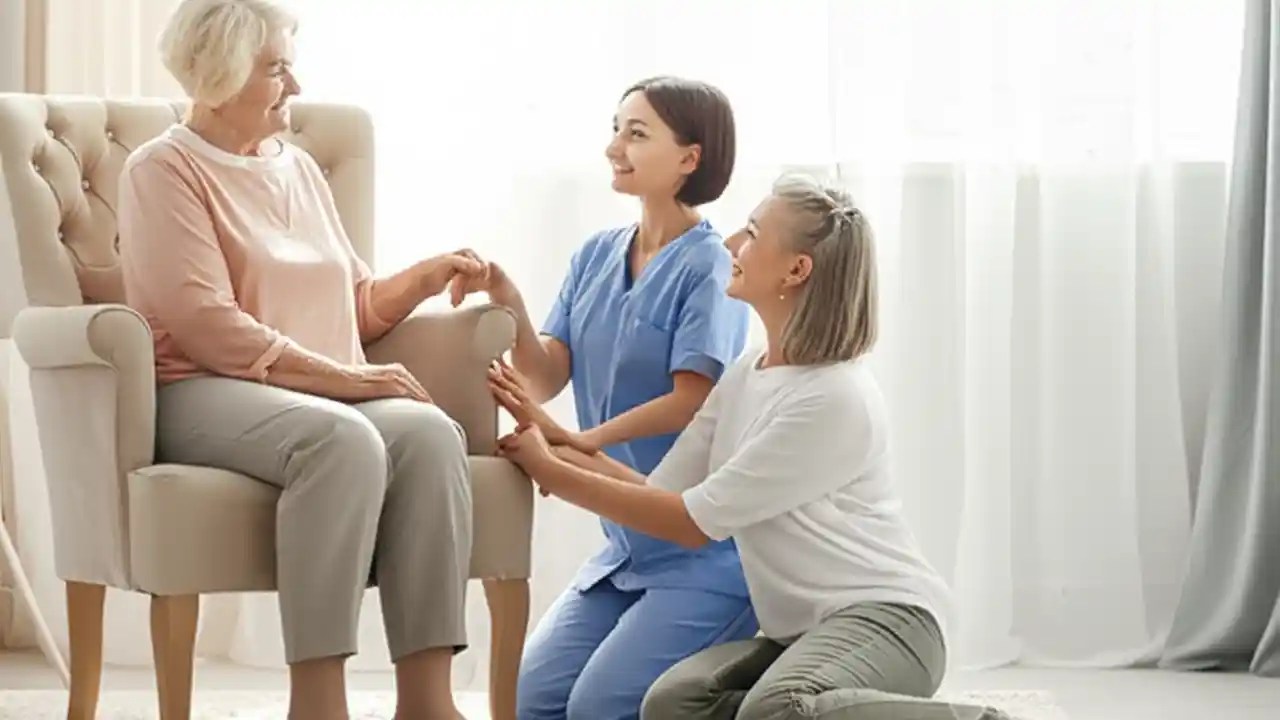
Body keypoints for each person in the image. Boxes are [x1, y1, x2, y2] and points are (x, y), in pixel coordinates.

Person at [491, 174, 1011, 720]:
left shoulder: (831, 398)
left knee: (776, 708)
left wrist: (552, 470)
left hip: (887, 620)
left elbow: (690, 523)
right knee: (671, 705)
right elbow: (659, 494)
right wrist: (555, 444)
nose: (733, 242)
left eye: (754, 233)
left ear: (796, 269)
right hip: (797, 632)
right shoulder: (748, 373)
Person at [118, 1, 485, 718]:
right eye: (277, 67)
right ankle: (317, 704)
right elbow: (208, 328)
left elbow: (350, 306)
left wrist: (420, 277)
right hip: (204, 390)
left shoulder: (301, 170)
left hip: (308, 390)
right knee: (340, 438)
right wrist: (353, 380)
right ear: (221, 75)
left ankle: (427, 701)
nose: (295, 82)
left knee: (432, 435)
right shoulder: (161, 170)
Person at [460, 77, 757, 719]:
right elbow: (543, 376)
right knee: (531, 700)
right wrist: (507, 298)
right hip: (627, 547)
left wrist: (574, 444)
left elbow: (690, 401)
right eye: (616, 127)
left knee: (599, 708)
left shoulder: (711, 265)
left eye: (636, 133)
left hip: (704, 553)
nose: (613, 146)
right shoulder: (596, 254)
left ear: (690, 157)